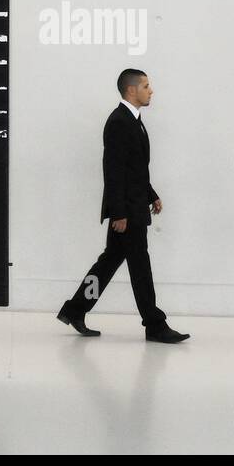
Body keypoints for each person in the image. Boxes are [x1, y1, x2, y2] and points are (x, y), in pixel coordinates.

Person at [57, 69, 190, 343]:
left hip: (134, 206)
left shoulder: (133, 120)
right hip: (127, 212)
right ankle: (155, 325)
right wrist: (119, 213)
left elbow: (135, 168)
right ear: (131, 91)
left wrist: (152, 194)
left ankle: (75, 309)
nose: (151, 90)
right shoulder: (119, 122)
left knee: (109, 263)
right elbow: (113, 170)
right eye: (146, 86)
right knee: (140, 265)